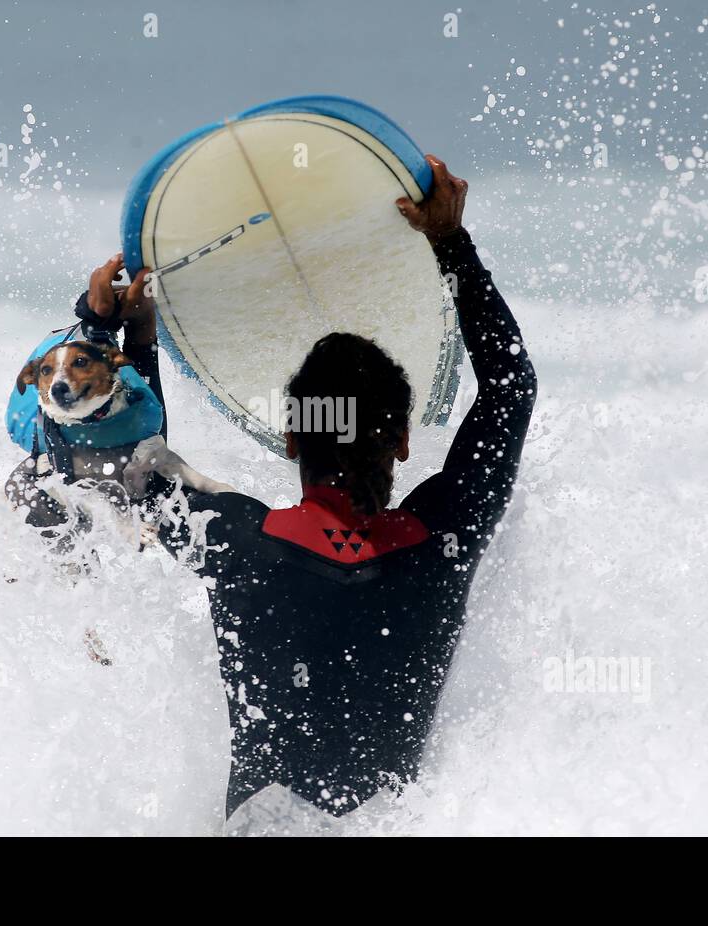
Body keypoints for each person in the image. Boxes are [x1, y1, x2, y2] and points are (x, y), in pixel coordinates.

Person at [129, 155, 539, 821]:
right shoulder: (444, 541)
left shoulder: (235, 541)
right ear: (402, 441)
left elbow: (138, 467)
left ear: (293, 439)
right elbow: (510, 388)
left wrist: (127, 331)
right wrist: (449, 243)